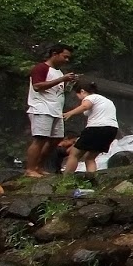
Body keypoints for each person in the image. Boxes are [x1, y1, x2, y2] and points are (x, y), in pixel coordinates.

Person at [24, 43, 77, 178]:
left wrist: (68, 83)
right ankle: (30, 169)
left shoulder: (58, 72)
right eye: (65, 57)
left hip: (55, 110)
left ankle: (39, 166)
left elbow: (59, 91)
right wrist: (62, 79)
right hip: (41, 108)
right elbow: (37, 86)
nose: (67, 60)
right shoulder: (41, 68)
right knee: (40, 139)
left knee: (56, 139)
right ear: (55, 54)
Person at [61, 83, 119, 173]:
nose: (79, 99)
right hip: (111, 130)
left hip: (97, 128)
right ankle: (91, 179)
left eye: (78, 95)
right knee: (90, 158)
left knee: (74, 154)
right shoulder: (106, 100)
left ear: (82, 91)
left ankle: (65, 179)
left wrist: (70, 113)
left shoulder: (90, 97)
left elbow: (85, 106)